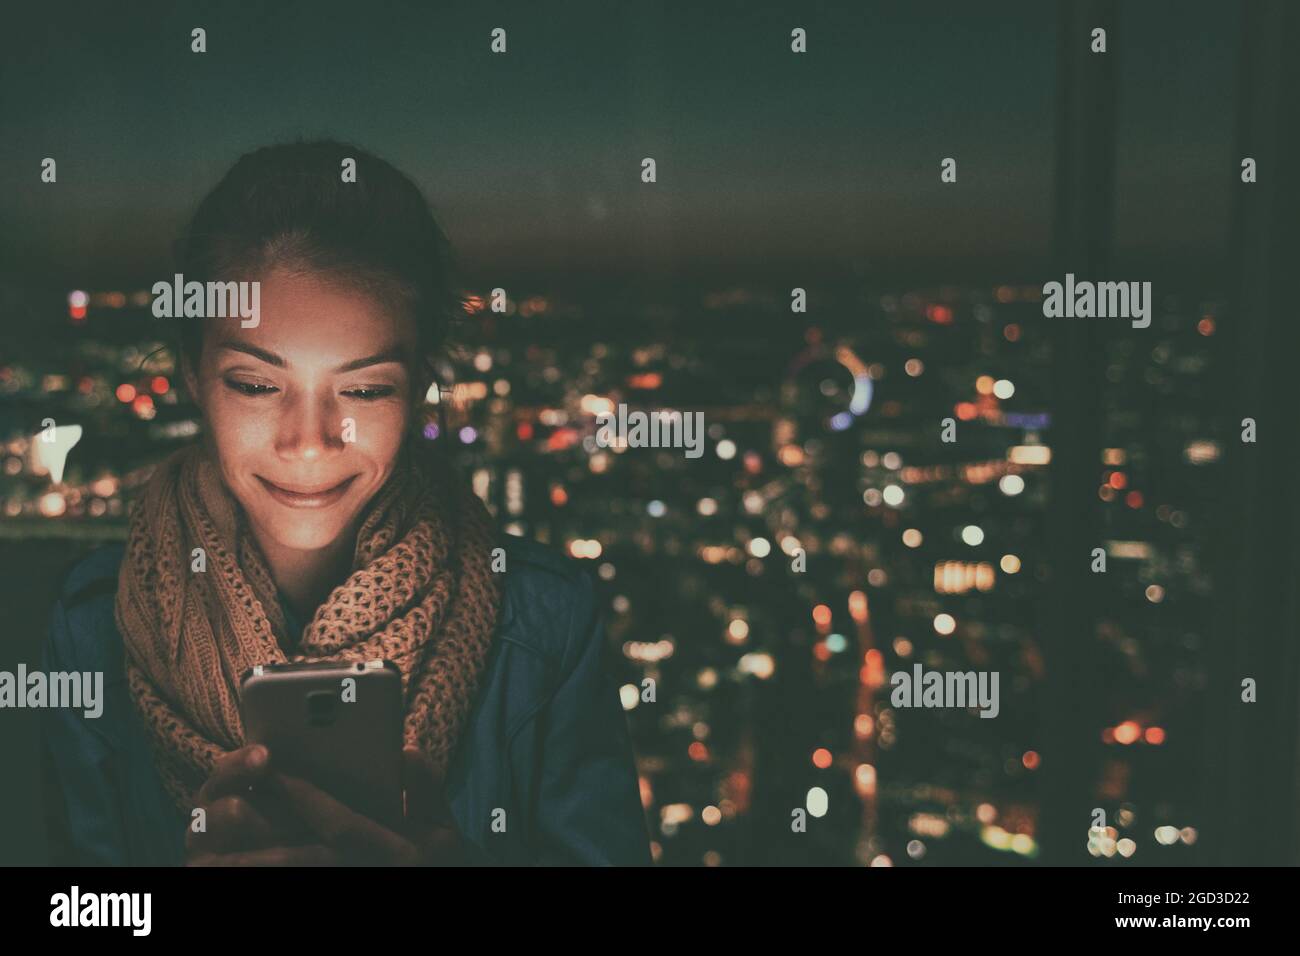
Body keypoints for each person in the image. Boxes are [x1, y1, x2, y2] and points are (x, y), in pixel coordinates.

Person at [41, 140, 651, 866]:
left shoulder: (543, 626)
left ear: (421, 387)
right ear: (192, 377)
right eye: (256, 384)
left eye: (364, 390)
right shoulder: (92, 630)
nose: (309, 441)